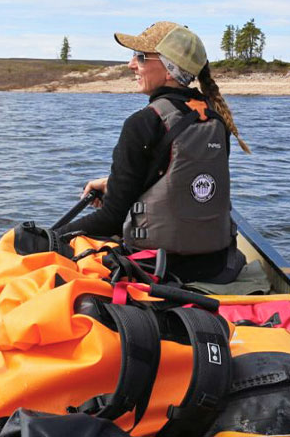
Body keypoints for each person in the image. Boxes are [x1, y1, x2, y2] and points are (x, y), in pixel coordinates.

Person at [61, 21, 251, 283]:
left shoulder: (142, 123)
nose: (131, 65)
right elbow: (181, 179)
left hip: (159, 269)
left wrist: (51, 236)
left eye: (140, 57)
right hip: (217, 265)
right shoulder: (215, 119)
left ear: (170, 69)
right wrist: (113, 185)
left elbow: (111, 220)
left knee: (47, 244)